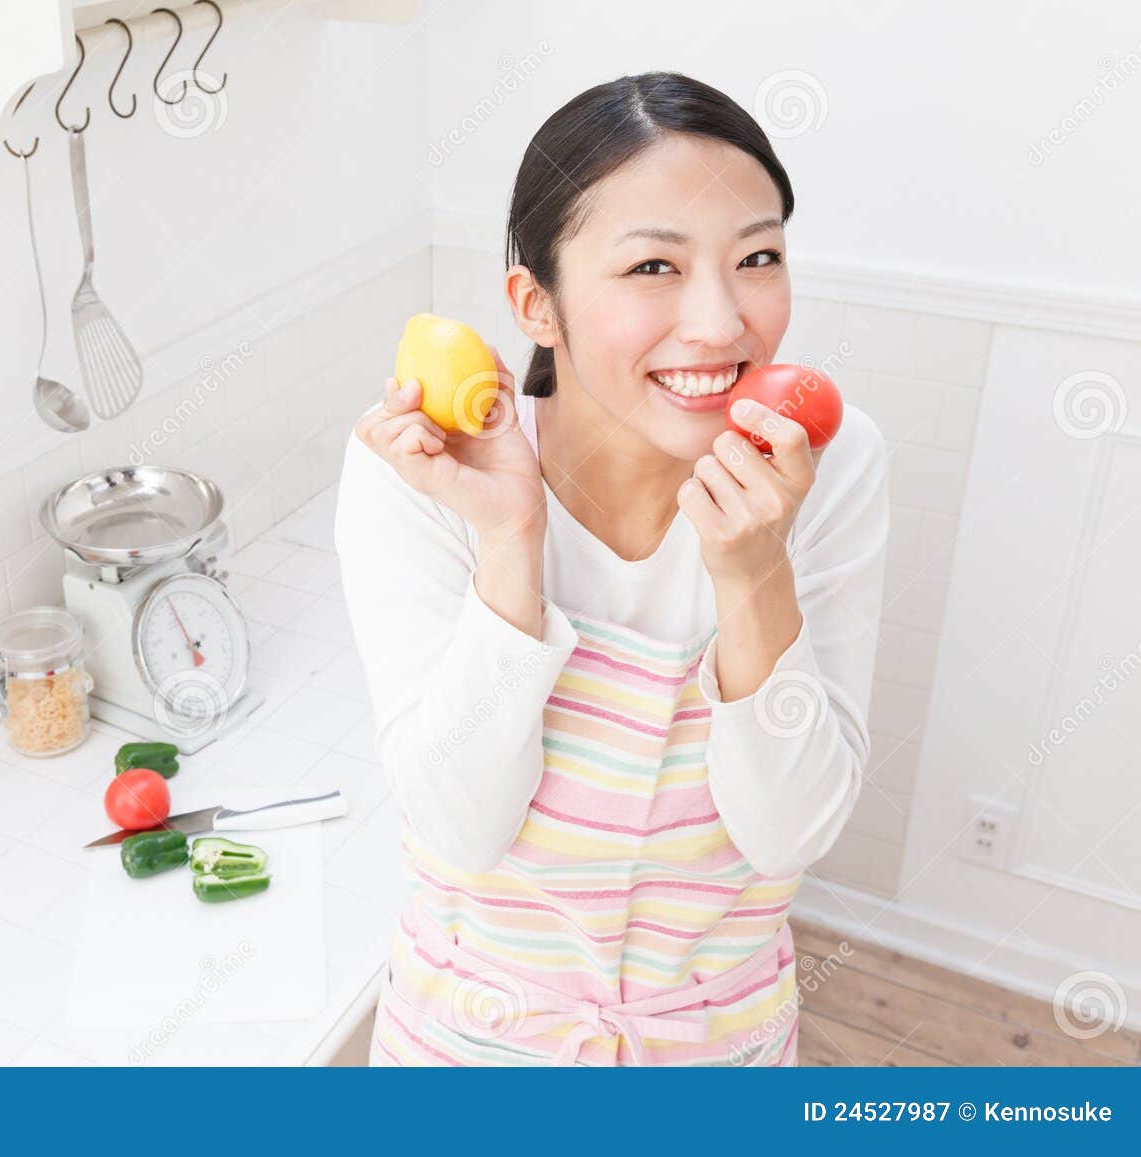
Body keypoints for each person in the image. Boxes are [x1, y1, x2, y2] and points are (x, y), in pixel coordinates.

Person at [334, 72, 889, 1067]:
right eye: (651, 268)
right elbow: (460, 829)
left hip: (716, 1047)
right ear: (534, 304)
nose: (722, 323)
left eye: (756, 256)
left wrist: (751, 572)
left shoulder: (831, 467)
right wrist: (511, 541)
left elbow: (787, 832)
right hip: (472, 1042)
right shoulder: (423, 472)